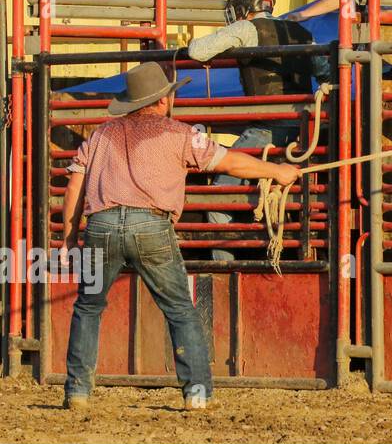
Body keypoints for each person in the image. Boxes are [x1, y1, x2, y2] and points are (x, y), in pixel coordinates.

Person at [60, 62, 298, 410]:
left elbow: (75, 186)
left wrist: (68, 236)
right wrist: (276, 171)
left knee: (88, 307)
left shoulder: (100, 135)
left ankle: (77, 391)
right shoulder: (180, 134)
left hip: (102, 226)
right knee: (180, 310)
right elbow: (230, 162)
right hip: (151, 225)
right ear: (160, 101)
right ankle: (197, 393)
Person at [189, 0, 329, 261]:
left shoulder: (245, 28)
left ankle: (224, 267)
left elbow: (196, 50)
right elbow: (326, 70)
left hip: (265, 129)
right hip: (302, 133)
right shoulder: (302, 33)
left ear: (243, 9)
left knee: (218, 196)